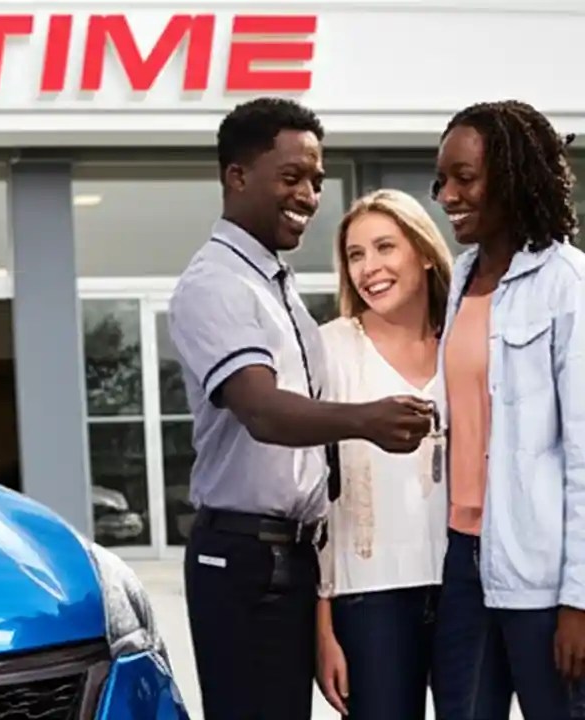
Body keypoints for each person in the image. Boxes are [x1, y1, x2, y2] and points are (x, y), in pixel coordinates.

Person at [167, 97, 435, 720]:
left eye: (316, 180)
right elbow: (261, 410)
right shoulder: (215, 285)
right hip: (241, 560)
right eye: (291, 178)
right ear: (237, 176)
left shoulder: (274, 284)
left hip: (290, 559)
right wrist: (366, 420)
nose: (310, 195)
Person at [430, 99, 585, 719]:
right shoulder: (463, 278)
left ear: (515, 177)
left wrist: (578, 598)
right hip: (464, 561)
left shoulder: (566, 283)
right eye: (443, 179)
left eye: (464, 178)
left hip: (545, 578)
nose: (447, 195)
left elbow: (582, 452)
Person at [313, 188, 454, 719]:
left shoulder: (465, 343)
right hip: (367, 599)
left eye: (384, 247)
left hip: (466, 588)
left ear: (422, 250)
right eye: (355, 255)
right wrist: (323, 627)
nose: (369, 267)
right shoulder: (329, 350)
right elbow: (313, 498)